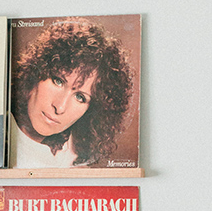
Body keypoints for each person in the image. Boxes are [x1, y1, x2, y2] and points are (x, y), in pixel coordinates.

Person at [11, 20, 133, 168]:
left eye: (80, 97)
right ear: (36, 72)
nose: (60, 107)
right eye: (58, 81)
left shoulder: (73, 160)